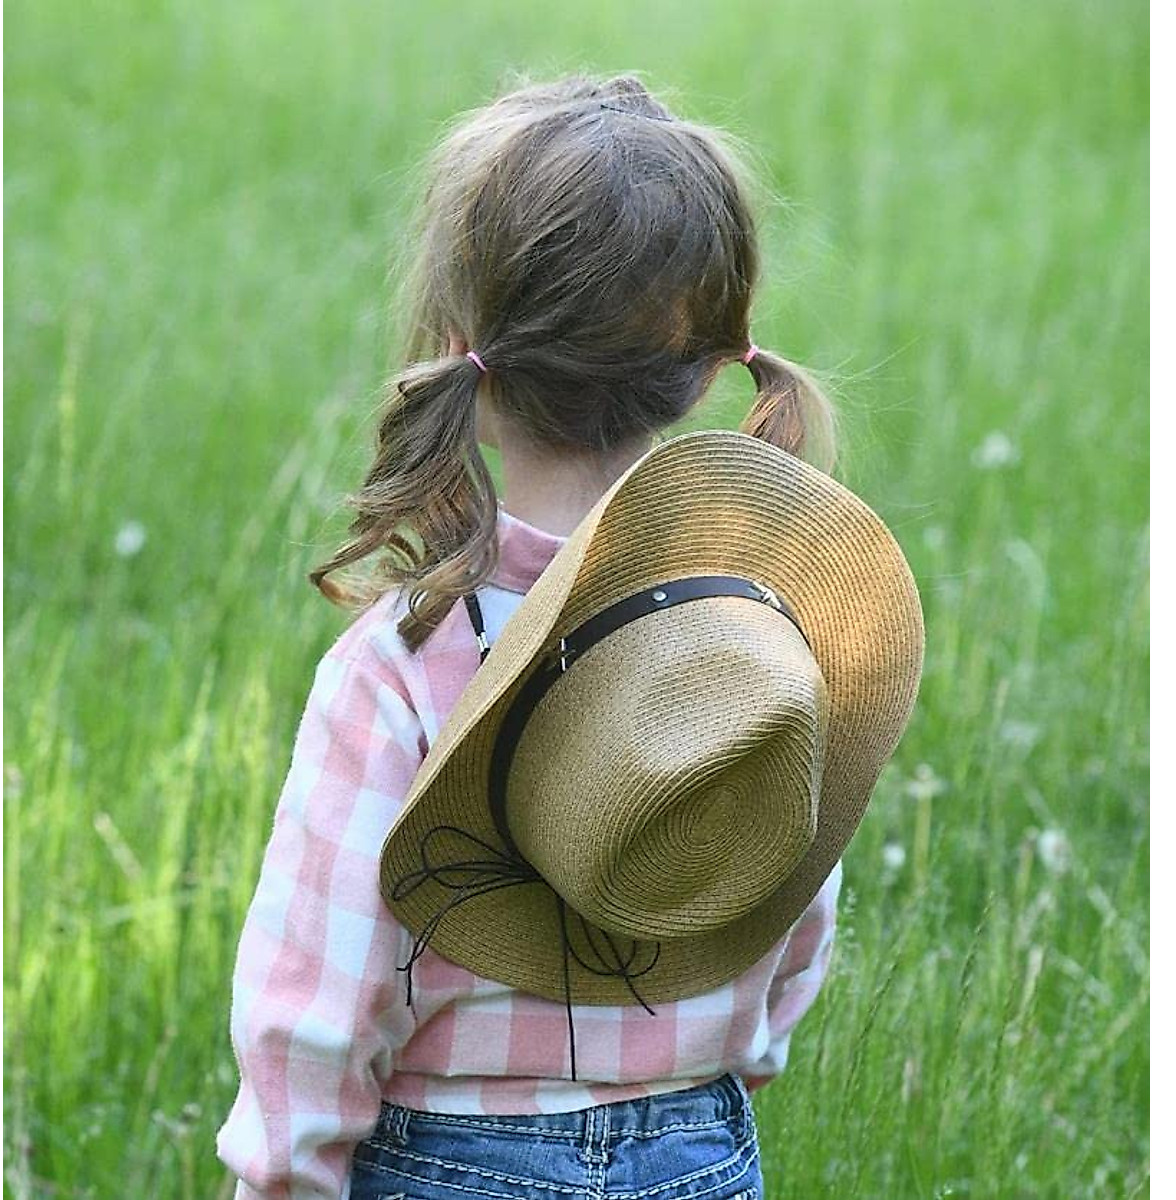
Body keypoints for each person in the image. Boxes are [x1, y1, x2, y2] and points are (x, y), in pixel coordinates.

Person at [216, 71, 845, 1200]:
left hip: (445, 1159)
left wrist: (281, 1179)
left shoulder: (408, 666)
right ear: (708, 367)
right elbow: (797, 887)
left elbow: (315, 996)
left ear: (465, 348)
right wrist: (730, 1069)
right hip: (694, 1147)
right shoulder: (756, 639)